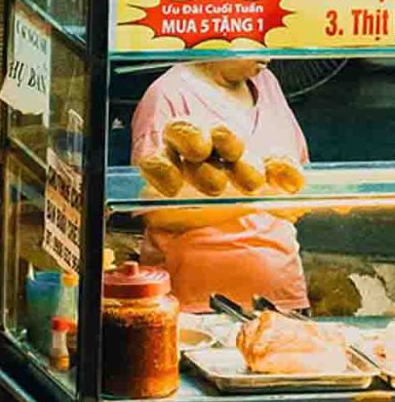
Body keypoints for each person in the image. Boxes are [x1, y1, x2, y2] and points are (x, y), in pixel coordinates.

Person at [128, 52, 311, 310]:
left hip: (281, 297)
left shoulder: (268, 84)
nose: (269, 54)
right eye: (255, 36)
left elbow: (295, 177)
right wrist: (257, 201)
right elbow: (158, 213)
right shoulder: (167, 95)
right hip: (193, 304)